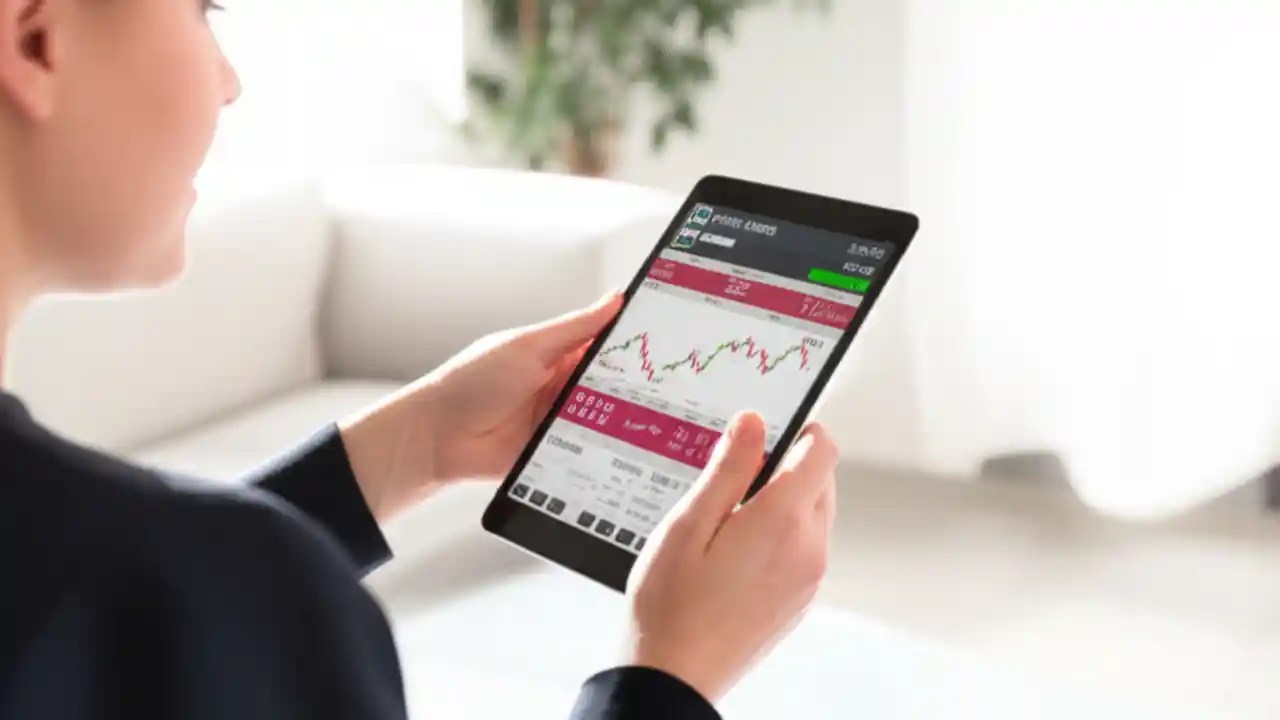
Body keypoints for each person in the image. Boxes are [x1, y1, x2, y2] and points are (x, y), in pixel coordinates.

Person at [0, 1, 840, 718]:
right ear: (37, 41)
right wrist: (667, 674)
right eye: (201, 9)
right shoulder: (228, 582)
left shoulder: (150, 582)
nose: (228, 80)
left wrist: (418, 441)